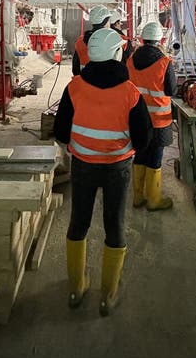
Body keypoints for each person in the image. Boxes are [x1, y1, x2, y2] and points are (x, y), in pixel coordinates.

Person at [54, 28, 152, 316]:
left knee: (78, 223)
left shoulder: (74, 88)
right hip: (117, 169)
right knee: (115, 225)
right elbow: (144, 139)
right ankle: (108, 293)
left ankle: (76, 288)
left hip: (83, 166)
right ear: (116, 54)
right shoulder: (131, 93)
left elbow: (60, 131)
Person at [127, 21, 177, 211]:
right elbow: (171, 90)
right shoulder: (164, 63)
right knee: (155, 157)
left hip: (137, 118)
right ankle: (154, 200)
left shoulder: (131, 60)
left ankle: (138, 197)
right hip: (159, 120)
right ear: (160, 40)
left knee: (139, 153)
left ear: (142, 39)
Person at [71, 5, 110, 76]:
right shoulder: (111, 40)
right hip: (106, 83)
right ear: (106, 22)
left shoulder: (81, 41)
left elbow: (75, 68)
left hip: (84, 81)